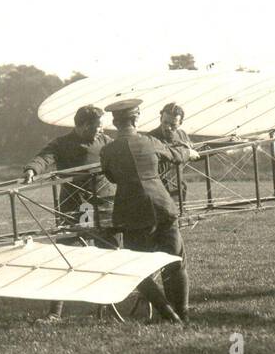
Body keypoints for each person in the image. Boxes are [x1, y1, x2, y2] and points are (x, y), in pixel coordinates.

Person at [100, 99, 199, 325]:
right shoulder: (151, 141)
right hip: (162, 206)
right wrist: (188, 151)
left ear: (115, 123)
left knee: (139, 269)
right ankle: (183, 315)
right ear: (136, 119)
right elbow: (176, 155)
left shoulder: (107, 150)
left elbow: (111, 177)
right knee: (176, 261)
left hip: (131, 212)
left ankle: (168, 314)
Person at [21, 105, 115, 320]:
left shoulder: (106, 142)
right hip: (79, 206)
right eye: (96, 127)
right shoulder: (62, 143)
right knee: (66, 256)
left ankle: (105, 307)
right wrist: (31, 170)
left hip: (105, 204)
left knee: (109, 254)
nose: (100, 130)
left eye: (101, 127)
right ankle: (55, 312)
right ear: (82, 126)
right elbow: (45, 157)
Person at [150, 102, 196, 211]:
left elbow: (195, 154)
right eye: (165, 122)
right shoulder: (150, 138)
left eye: (173, 125)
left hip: (178, 189)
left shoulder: (182, 135)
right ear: (160, 119)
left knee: (178, 222)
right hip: (158, 191)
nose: (168, 127)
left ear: (180, 123)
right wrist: (186, 152)